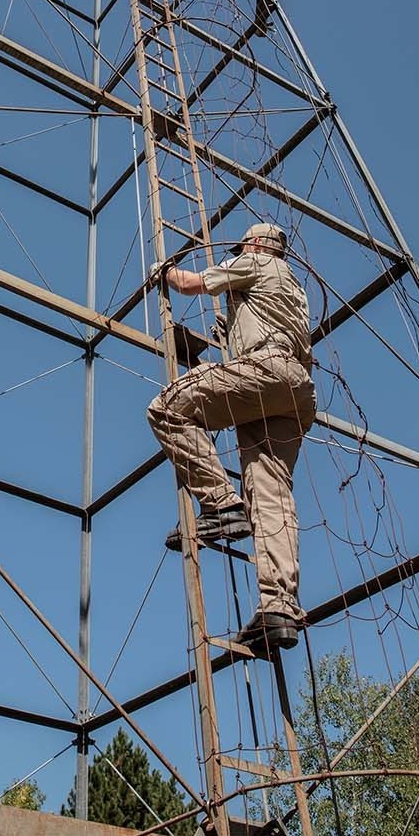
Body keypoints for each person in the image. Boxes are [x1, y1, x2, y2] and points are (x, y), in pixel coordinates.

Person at [146, 222, 316, 659]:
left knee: (167, 409)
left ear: (255, 244)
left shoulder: (255, 261)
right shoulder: (294, 289)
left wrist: (164, 271)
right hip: (296, 391)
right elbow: (251, 330)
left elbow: (191, 283)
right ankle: (279, 607)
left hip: (267, 370)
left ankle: (221, 505)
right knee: (271, 493)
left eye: (243, 245)